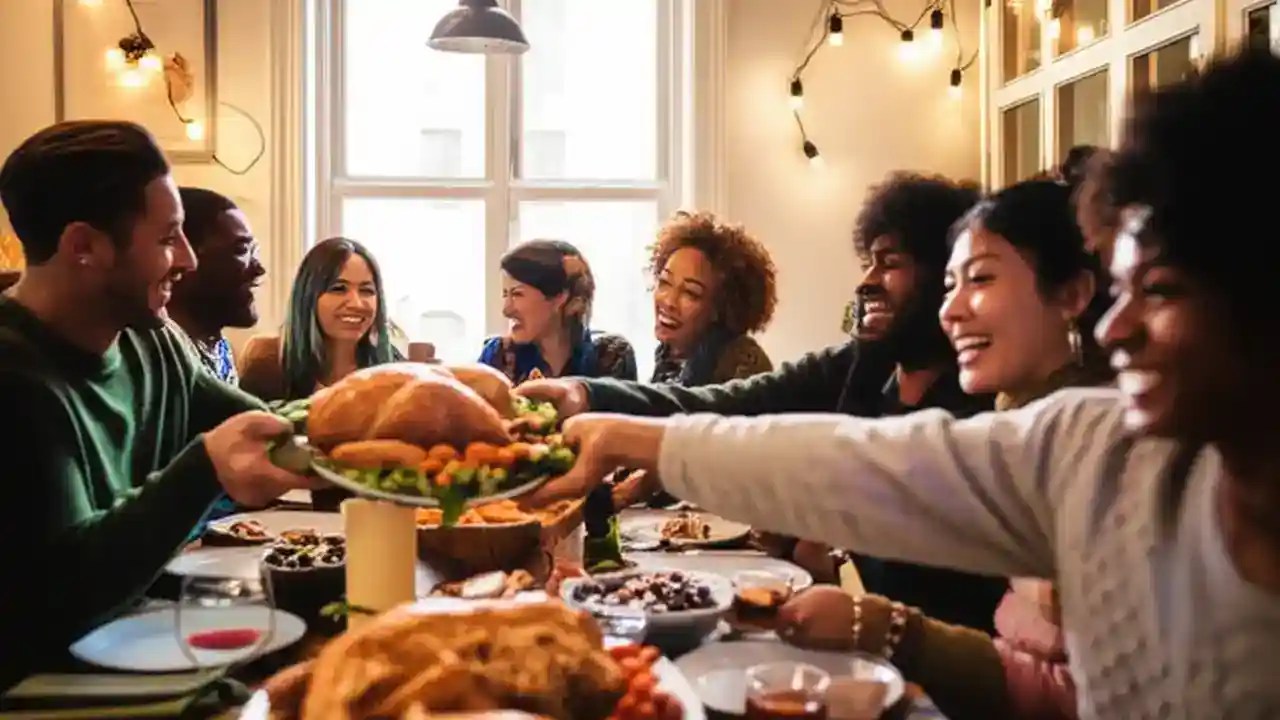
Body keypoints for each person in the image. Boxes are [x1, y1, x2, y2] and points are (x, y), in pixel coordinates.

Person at [523, 49, 1280, 718]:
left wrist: (885, 628)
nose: (1120, 329)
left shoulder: (1073, 430)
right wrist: (618, 424)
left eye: (1164, 290)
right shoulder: (1094, 447)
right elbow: (853, 463)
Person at [520, 173, 1007, 632]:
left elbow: (855, 477)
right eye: (869, 262)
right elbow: (726, 406)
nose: (866, 282)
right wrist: (583, 393)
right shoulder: (861, 365)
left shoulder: (981, 411)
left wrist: (821, 544)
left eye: (891, 263)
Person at [782, 178, 1112, 720]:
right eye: (950, 285)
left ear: (1075, 295)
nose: (950, 310)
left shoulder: (1089, 451)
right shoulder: (1020, 423)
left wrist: (885, 629)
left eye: (979, 279)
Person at [0, 121, 311, 687]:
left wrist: (411, 416)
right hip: (39, 681)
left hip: (139, 636)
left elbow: (267, 426)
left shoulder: (150, 336)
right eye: (168, 237)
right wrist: (203, 468)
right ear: (84, 247)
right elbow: (66, 595)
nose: (187, 259)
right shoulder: (15, 380)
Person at [238, 236, 398, 402]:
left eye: (366, 290)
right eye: (338, 289)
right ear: (308, 297)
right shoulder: (266, 363)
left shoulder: (393, 367)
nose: (356, 304)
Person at [479, 240, 636, 383]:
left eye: (517, 294)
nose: (506, 310)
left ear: (561, 297)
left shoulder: (609, 355)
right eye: (505, 294)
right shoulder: (498, 355)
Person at [649, 210, 775, 385]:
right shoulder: (669, 357)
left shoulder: (744, 362)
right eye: (664, 282)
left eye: (690, 293)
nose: (669, 301)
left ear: (721, 308)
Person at [167, 187, 265, 385]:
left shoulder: (217, 347)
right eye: (241, 250)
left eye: (253, 251)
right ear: (184, 259)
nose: (259, 270)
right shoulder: (161, 362)